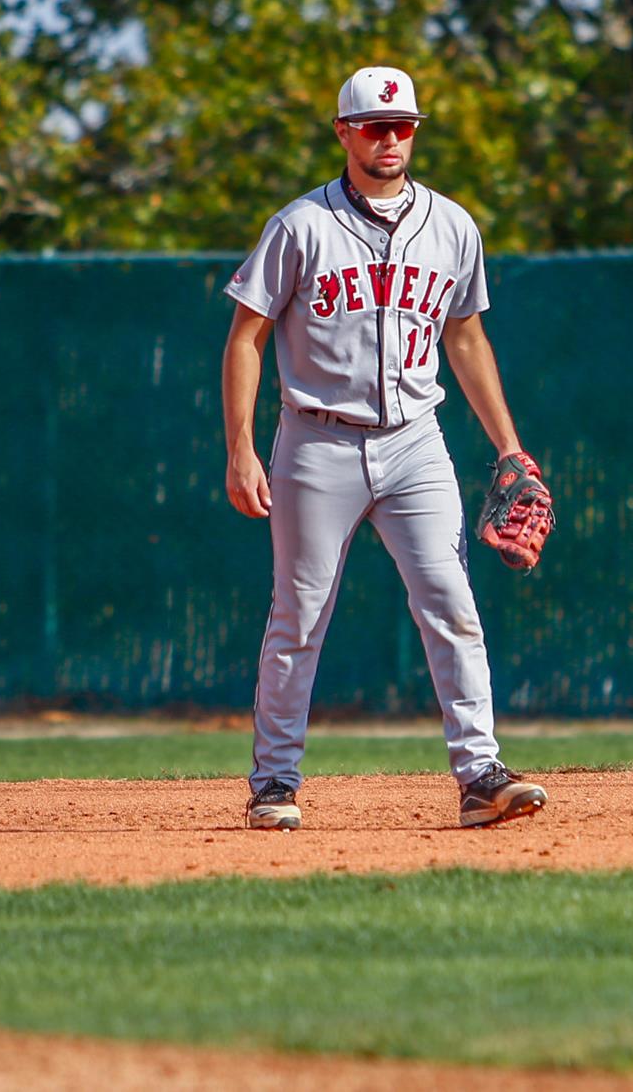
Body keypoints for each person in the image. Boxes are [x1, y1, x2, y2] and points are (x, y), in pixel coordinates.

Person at [221, 65, 549, 831]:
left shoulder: (452, 226)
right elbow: (247, 337)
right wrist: (242, 447)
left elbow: (465, 336)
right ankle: (274, 781)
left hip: (416, 442)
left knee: (451, 602)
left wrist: (510, 446)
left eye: (402, 125)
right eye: (374, 125)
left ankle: (479, 774)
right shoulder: (300, 226)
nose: (391, 137)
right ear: (344, 132)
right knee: (299, 614)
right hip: (315, 440)